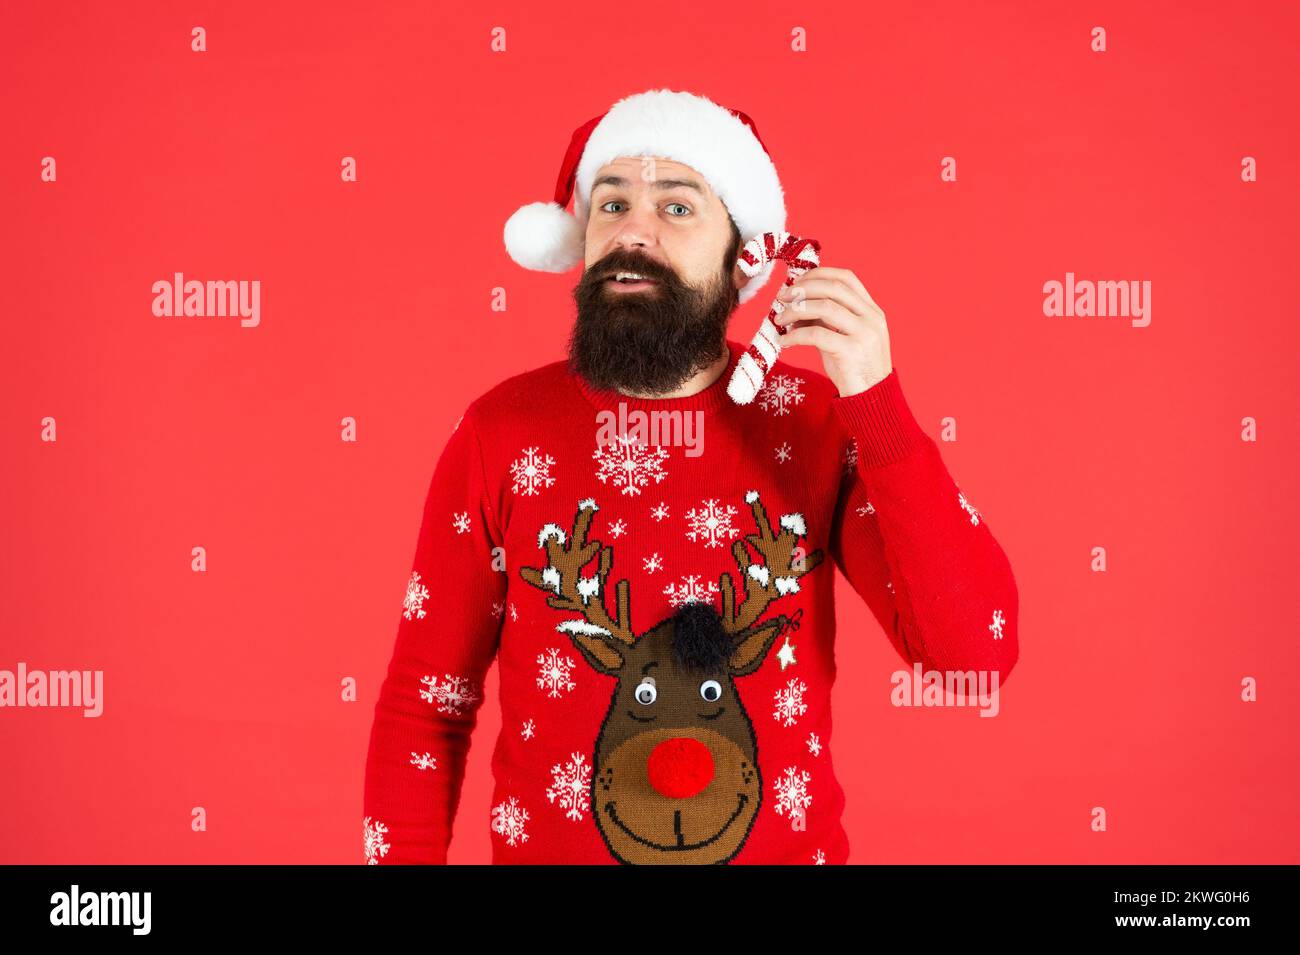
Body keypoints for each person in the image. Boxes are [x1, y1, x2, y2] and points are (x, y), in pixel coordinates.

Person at [361, 88, 1019, 865]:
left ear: (741, 256)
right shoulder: (499, 434)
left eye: (677, 208)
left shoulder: (812, 424)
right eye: (611, 205)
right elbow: (424, 709)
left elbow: (974, 655)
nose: (633, 231)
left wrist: (876, 404)